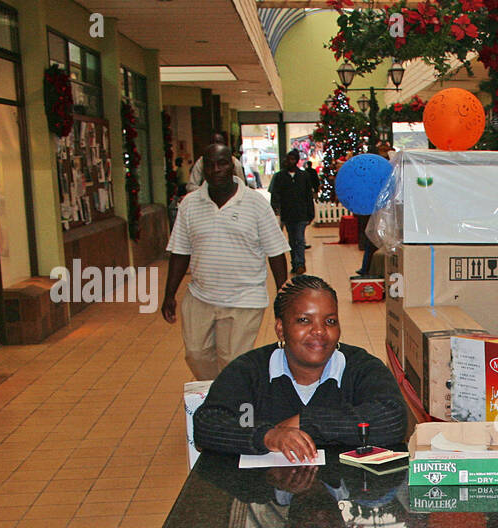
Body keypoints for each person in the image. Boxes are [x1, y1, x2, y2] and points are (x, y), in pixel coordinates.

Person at [192, 275, 407, 461]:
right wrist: (268, 436)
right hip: (266, 494)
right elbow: (206, 423)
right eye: (304, 320)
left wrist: (307, 423)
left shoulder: (361, 367)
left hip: (342, 496)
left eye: (330, 321)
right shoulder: (249, 370)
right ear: (280, 329)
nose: (320, 331)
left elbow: (393, 418)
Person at [161, 143, 290, 380]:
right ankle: (219, 396)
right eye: (210, 165)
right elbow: (180, 252)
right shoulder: (190, 204)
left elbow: (276, 253)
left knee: (232, 361)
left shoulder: (255, 203)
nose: (217, 169)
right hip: (200, 296)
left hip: (244, 299)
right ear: (203, 170)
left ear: (232, 166)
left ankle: (227, 403)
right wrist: (169, 294)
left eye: (222, 163)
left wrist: (284, 298)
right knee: (195, 354)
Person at [268, 150, 318, 275]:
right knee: (292, 240)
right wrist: (276, 209)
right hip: (288, 213)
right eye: (288, 159)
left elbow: (308, 195)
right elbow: (275, 194)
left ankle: (300, 263)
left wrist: (310, 212)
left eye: (292, 159)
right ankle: (295, 264)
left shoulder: (303, 176)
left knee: (300, 239)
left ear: (296, 161)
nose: (289, 162)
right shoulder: (280, 177)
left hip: (301, 213)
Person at [353, 143, 396, 278]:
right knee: (373, 242)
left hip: (382, 212)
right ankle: (368, 269)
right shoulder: (387, 170)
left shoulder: (379, 169)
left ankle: (368, 269)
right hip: (378, 212)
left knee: (373, 243)